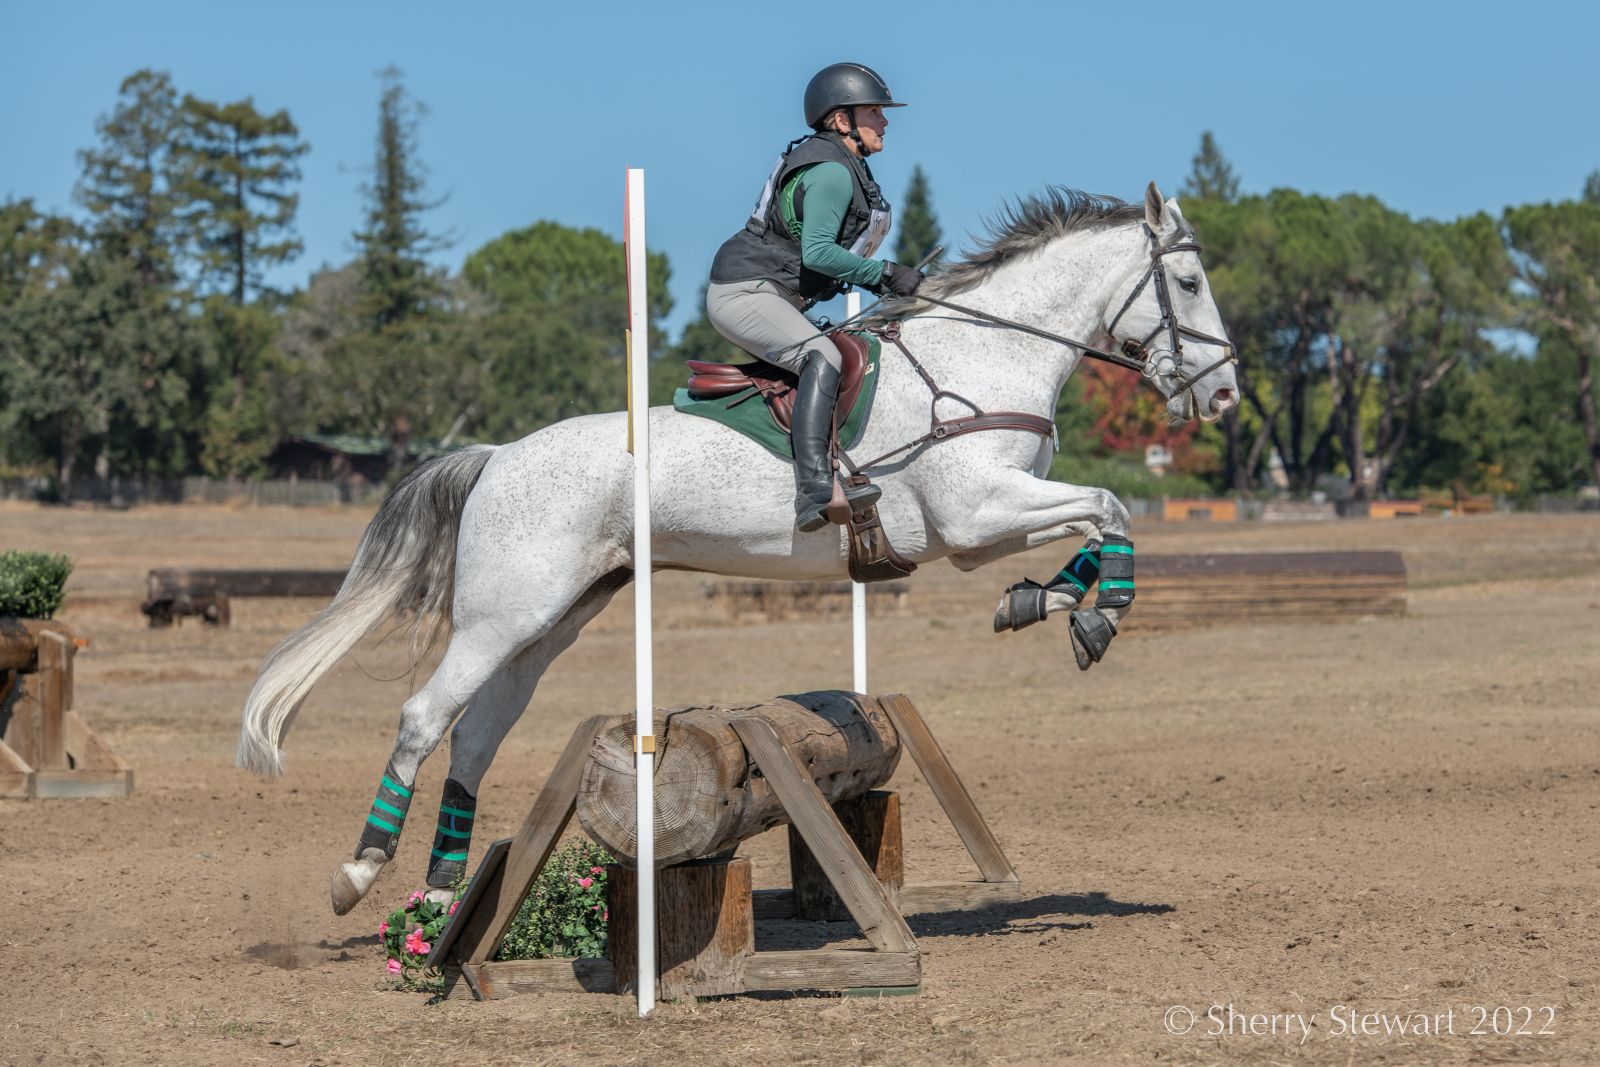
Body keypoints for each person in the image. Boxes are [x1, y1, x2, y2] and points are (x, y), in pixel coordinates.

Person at [707, 62, 926, 532]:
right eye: (874, 112)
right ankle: (813, 490)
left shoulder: (845, 165)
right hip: (745, 292)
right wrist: (884, 274)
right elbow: (821, 254)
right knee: (821, 355)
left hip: (774, 295)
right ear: (842, 120)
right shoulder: (831, 171)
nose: (884, 121)